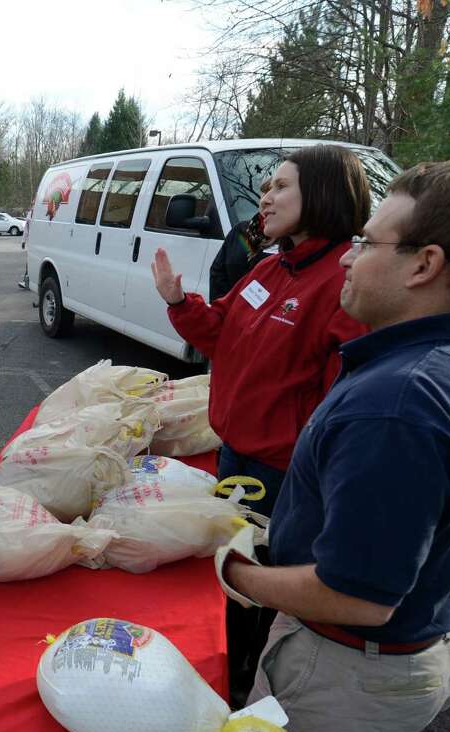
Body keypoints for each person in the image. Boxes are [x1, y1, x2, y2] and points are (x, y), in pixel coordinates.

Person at [216, 157, 450, 732]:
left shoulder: (399, 405)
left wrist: (236, 574)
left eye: (367, 242)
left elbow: (359, 597)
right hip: (418, 656)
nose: (346, 257)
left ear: (424, 264)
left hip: (350, 668)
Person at [150, 144, 370, 703]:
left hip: (284, 472)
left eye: (280, 186)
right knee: (228, 569)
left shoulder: (345, 279)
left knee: (260, 582)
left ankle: (247, 686)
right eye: (267, 187)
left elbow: (342, 399)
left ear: (321, 195)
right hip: (235, 452)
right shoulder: (271, 265)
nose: (266, 198)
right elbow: (220, 331)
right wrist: (180, 302)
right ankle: (224, 665)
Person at [208, 182, 271, 301]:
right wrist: (222, 308)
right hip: (231, 311)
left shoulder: (287, 239)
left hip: (263, 316)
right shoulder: (241, 231)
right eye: (264, 193)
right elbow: (218, 272)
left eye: (274, 192)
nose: (266, 200)